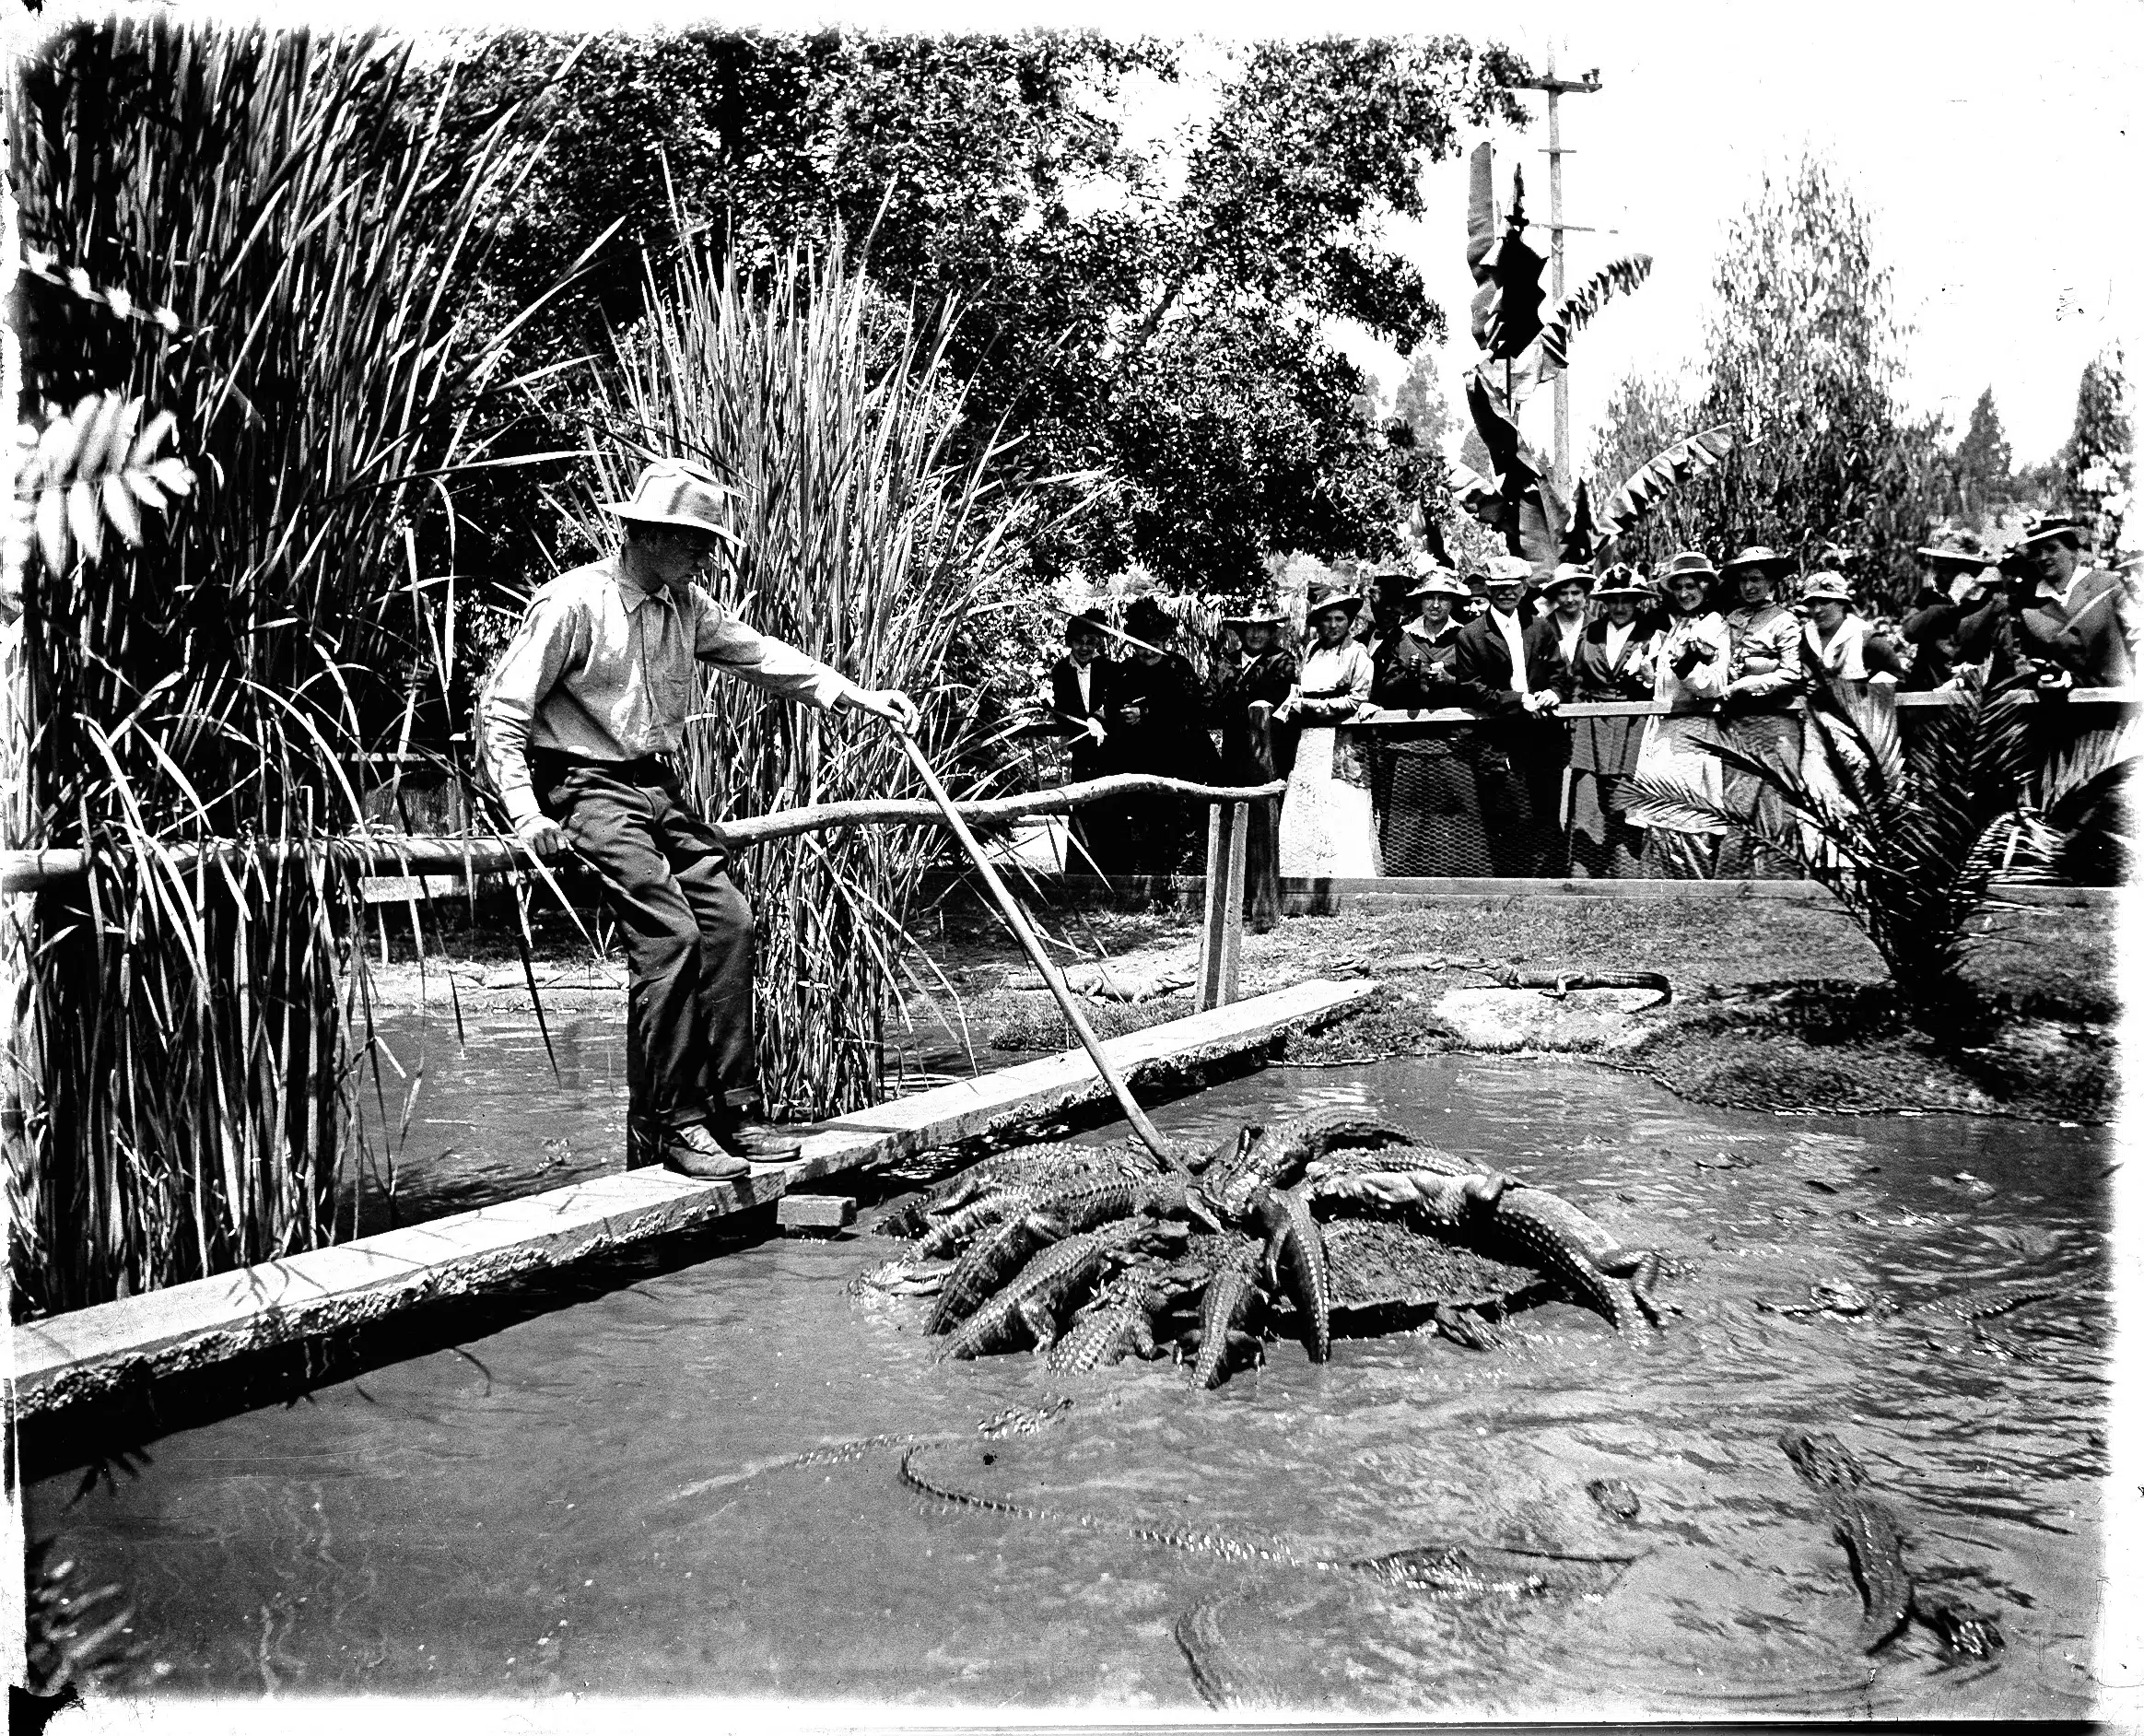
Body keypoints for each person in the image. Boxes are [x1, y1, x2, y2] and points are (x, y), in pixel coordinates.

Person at [482, 458, 919, 1179]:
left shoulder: (686, 606)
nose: (706, 555)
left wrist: (857, 696)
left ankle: (733, 1109)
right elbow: (503, 713)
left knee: (728, 921)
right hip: (581, 784)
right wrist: (526, 812)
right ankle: (672, 1124)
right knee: (668, 933)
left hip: (655, 783)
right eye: (695, 541)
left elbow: (760, 656)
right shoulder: (572, 603)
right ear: (649, 533)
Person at [1449, 555, 1573, 877]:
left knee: (1546, 813)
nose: (1507, 593)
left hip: (1542, 736)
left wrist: (1553, 693)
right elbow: (1471, 688)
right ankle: (1510, 887)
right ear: (1489, 590)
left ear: (1524, 588)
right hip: (1499, 740)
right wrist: (1519, 700)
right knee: (1509, 816)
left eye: (1514, 587)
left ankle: (1551, 890)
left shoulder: (1540, 627)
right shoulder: (1471, 635)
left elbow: (1558, 673)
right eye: (1499, 587)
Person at [1369, 563, 1488, 874]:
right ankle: (1404, 879)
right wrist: (1409, 678)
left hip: (1453, 742)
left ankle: (1460, 882)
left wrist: (1451, 681)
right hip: (1408, 743)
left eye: (1444, 598)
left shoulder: (1467, 636)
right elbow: (1383, 691)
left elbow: (1479, 688)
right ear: (1419, 601)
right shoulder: (1402, 638)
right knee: (1408, 815)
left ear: (1453, 602)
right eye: (1429, 597)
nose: (1436, 605)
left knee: (1456, 814)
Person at [1625, 550, 1733, 877]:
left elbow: (1712, 685)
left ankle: (1693, 897)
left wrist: (1685, 664)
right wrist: (1648, 675)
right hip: (1663, 735)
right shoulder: (1676, 628)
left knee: (1689, 817)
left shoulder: (1716, 626)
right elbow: (1668, 683)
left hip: (1693, 735)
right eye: (1679, 587)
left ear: (1705, 587)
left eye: (1692, 585)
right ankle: (1659, 900)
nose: (1685, 593)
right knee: (1659, 815)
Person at [1107, 594, 1220, 874]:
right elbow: (1111, 707)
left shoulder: (1178, 668)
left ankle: (1188, 877)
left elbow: (1193, 708)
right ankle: (1150, 878)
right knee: (1145, 819)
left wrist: (1146, 715)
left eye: (1153, 645)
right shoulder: (1125, 672)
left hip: (1181, 757)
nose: (1147, 652)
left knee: (1184, 818)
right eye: (1140, 646)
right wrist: (1123, 716)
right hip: (1140, 758)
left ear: (1165, 642)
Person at [1716, 545, 1806, 878]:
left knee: (1777, 806)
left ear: (1771, 582)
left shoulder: (1786, 621)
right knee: (1737, 804)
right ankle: (1732, 889)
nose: (1749, 587)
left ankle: (1782, 886)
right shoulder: (1732, 620)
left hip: (1775, 725)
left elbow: (1792, 673)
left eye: (1756, 579)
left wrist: (1745, 685)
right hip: (1738, 725)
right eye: (1743, 581)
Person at [1566, 567, 1658, 877]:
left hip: (1632, 722)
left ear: (1637, 602)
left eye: (1627, 600)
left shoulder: (1651, 634)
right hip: (1592, 722)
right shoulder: (1590, 633)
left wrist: (1648, 679)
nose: (1620, 607)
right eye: (1613, 600)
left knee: (1625, 800)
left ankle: (1625, 876)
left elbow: (1659, 682)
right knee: (1587, 799)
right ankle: (1583, 875)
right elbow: (1578, 681)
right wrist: (1577, 725)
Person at [1046, 608, 1121, 874]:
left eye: (1091, 642)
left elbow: (1115, 707)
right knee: (1081, 811)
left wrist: (1100, 719)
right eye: (1079, 641)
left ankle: (1113, 876)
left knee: (1110, 810)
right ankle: (1080, 876)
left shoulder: (1112, 670)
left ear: (1099, 643)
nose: (1085, 648)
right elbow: (1064, 709)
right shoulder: (1061, 671)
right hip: (1083, 751)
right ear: (1070, 642)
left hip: (1110, 752)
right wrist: (1086, 721)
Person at [1900, 529, 2003, 693]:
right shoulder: (1929, 598)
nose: (1938, 576)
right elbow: (1909, 630)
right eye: (1937, 568)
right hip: (1927, 691)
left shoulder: (1990, 603)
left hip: (1970, 694)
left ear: (1966, 573)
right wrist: (1949, 609)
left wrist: (1968, 602)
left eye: (1945, 570)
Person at [1212, 599, 1299, 782]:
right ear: (1240, 632)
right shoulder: (1225, 663)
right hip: (1234, 746)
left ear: (1271, 632)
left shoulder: (1282, 661)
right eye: (1250, 628)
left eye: (1262, 628)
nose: (1256, 634)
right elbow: (1209, 700)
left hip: (1270, 746)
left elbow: (1282, 701)